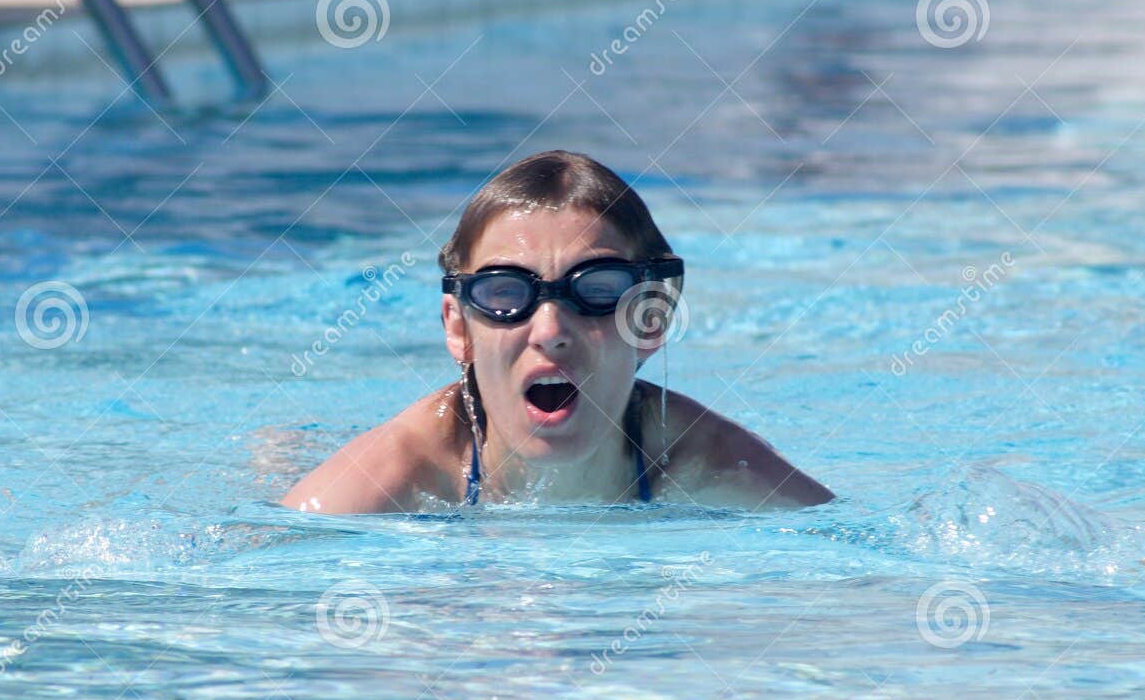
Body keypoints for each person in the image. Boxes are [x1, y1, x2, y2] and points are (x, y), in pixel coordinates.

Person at [281, 150, 832, 514]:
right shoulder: (394, 477)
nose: (549, 331)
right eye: (505, 292)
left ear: (651, 320)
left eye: (596, 289)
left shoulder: (710, 463)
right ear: (458, 326)